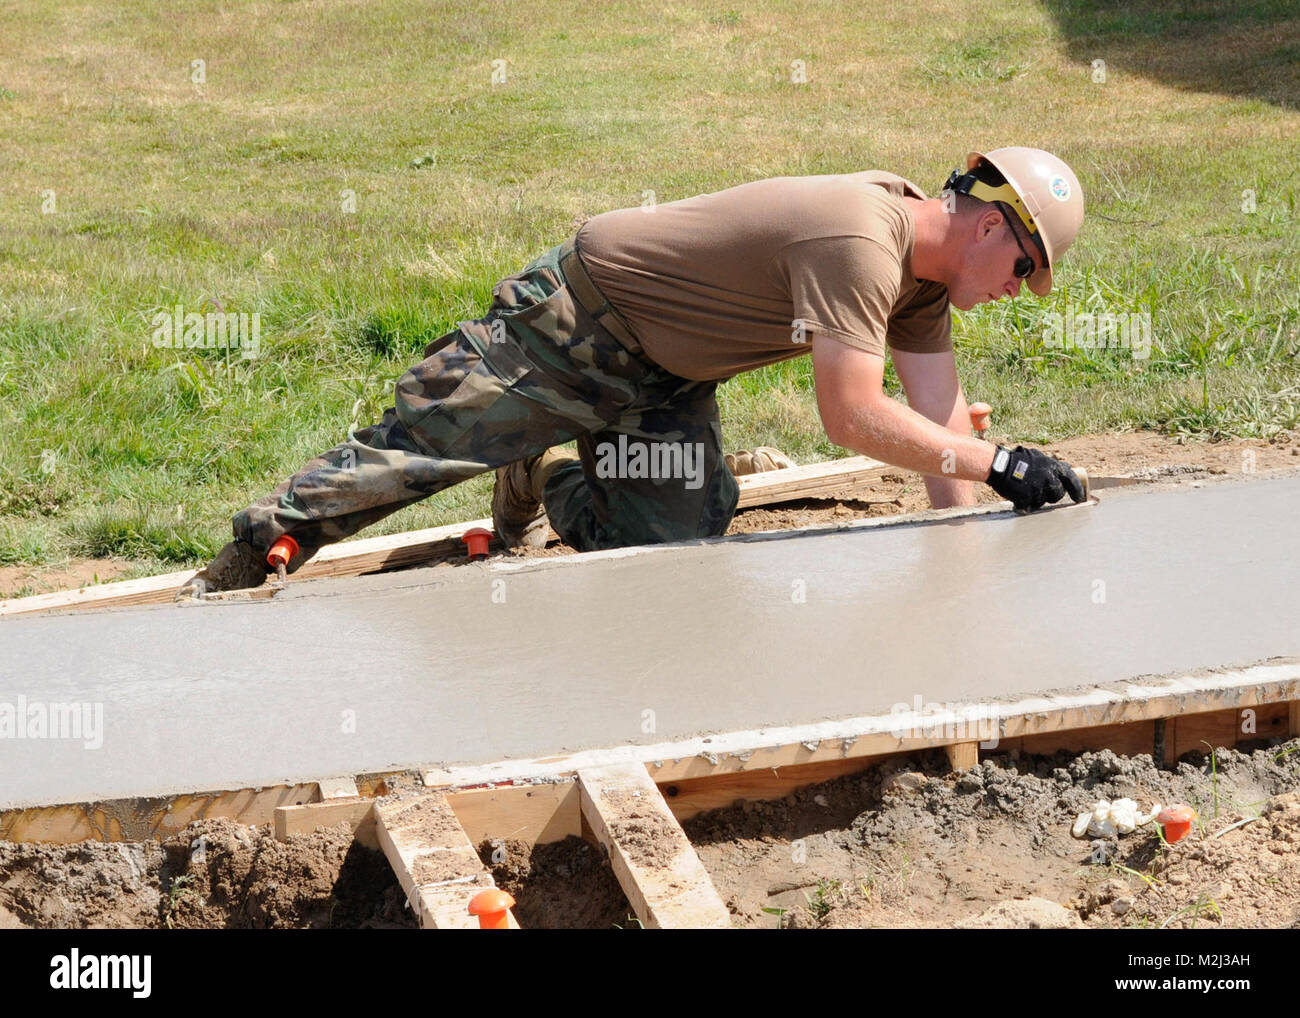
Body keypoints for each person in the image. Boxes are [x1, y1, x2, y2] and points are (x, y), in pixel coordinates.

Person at [178, 146, 1087, 595]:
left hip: (665, 377)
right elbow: (852, 417)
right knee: (414, 453)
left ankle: (553, 471)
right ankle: (252, 551)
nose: (1017, 292)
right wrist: (1003, 465)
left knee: (675, 552)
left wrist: (959, 577)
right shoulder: (862, 242)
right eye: (1022, 272)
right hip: (573, 324)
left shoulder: (922, 288)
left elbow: (938, 424)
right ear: (989, 226)